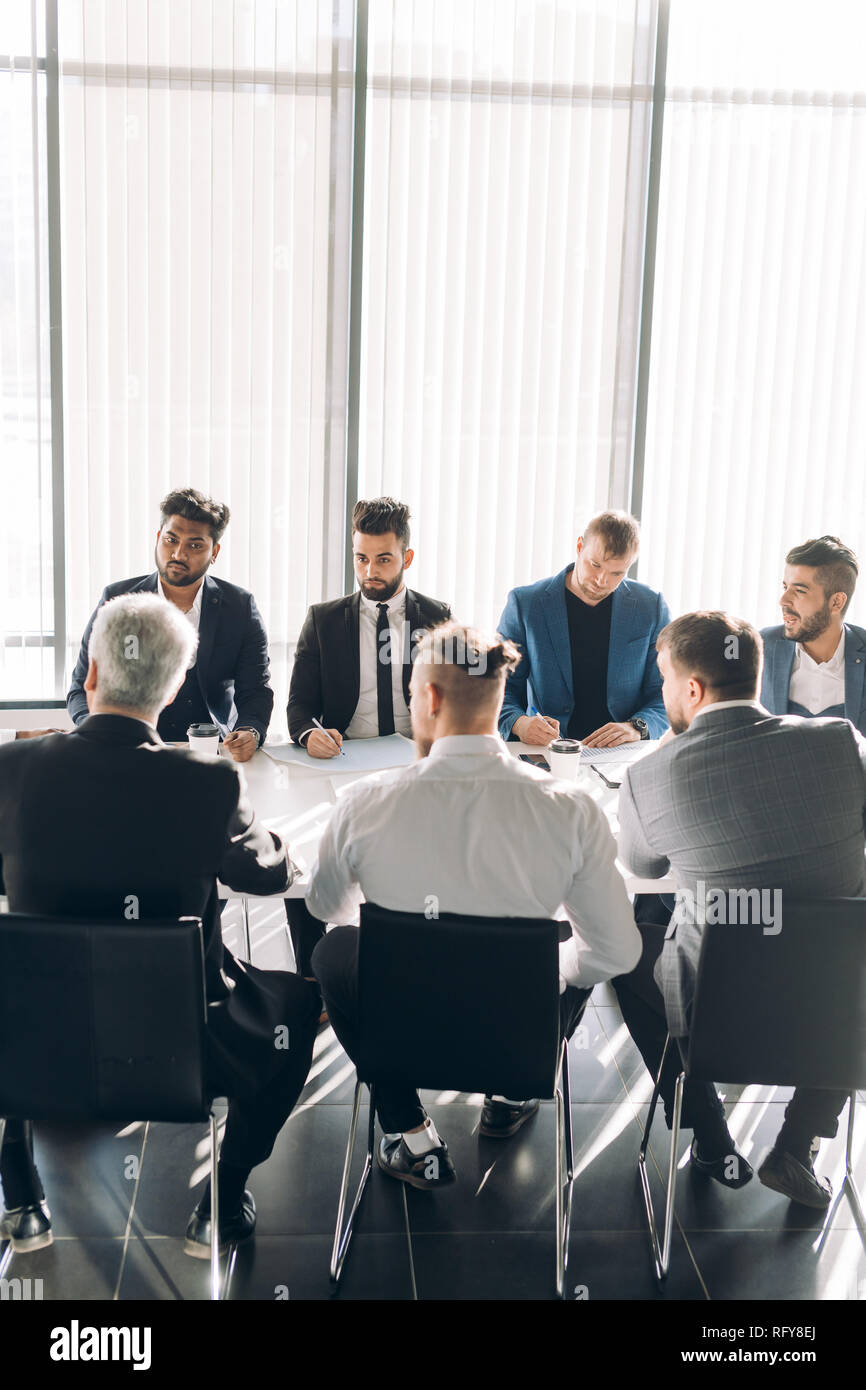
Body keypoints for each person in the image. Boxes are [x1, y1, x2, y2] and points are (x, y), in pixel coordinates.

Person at [0, 594, 319, 1256]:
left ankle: (21, 1196)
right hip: (186, 1047)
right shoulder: (205, 781)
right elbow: (267, 874)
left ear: (91, 674)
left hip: (34, 1043)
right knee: (296, 1008)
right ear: (174, 687)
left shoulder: (12, 769)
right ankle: (221, 1204)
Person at [308, 622, 641, 1189]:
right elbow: (617, 952)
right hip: (520, 1036)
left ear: (430, 699)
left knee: (334, 953)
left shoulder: (364, 803)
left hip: (401, 1031)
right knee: (580, 944)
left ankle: (409, 1133)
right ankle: (510, 1095)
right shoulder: (571, 809)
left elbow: (328, 908)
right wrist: (550, 973)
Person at [613, 611, 866, 1208]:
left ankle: (708, 1133)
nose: (664, 691)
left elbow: (645, 870)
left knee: (629, 949)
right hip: (839, 1019)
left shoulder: (647, 778)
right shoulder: (844, 742)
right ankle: (796, 1146)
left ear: (693, 689)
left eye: (665, 678)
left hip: (716, 1020)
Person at [285, 496, 451, 975]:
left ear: (407, 558)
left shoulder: (438, 616)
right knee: (306, 863)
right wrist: (308, 734)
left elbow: (452, 703)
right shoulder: (323, 619)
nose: (370, 570)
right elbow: (298, 707)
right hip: (341, 766)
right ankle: (311, 978)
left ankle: (414, 966)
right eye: (361, 558)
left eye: (383, 559)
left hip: (413, 770)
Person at [66, 486, 273, 760]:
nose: (178, 554)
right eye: (170, 540)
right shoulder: (119, 600)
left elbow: (255, 690)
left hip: (212, 752)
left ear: (215, 551)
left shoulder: (239, 607)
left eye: (195, 545)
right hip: (131, 750)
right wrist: (98, 733)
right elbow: (81, 687)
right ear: (157, 538)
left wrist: (250, 731)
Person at [497, 510, 670, 749]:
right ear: (580, 546)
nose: (601, 580)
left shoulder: (651, 607)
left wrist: (637, 727)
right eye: (595, 564)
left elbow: (666, 693)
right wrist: (520, 724)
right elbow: (497, 687)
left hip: (621, 758)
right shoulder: (526, 604)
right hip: (546, 754)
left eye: (616, 573)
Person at [761, 535, 866, 735]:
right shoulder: (760, 646)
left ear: (836, 602)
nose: (783, 600)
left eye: (799, 590)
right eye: (785, 587)